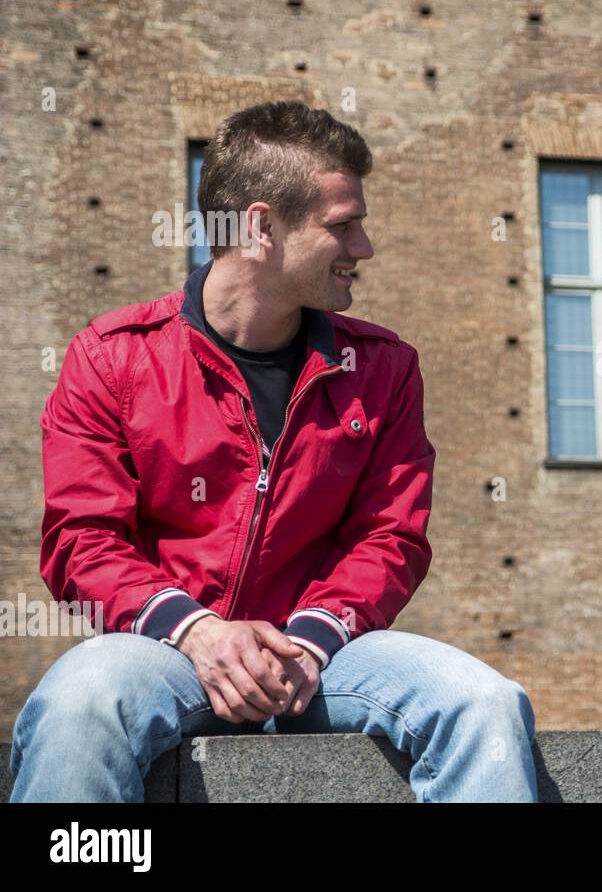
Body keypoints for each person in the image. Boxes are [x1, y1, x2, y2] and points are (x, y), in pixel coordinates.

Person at [10, 101, 537, 802]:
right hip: (164, 652)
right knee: (79, 704)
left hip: (326, 655)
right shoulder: (115, 358)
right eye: (342, 226)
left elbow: (391, 537)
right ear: (260, 227)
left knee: (484, 704)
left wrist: (314, 638)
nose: (364, 248)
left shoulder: (382, 369)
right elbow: (83, 540)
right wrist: (195, 630)